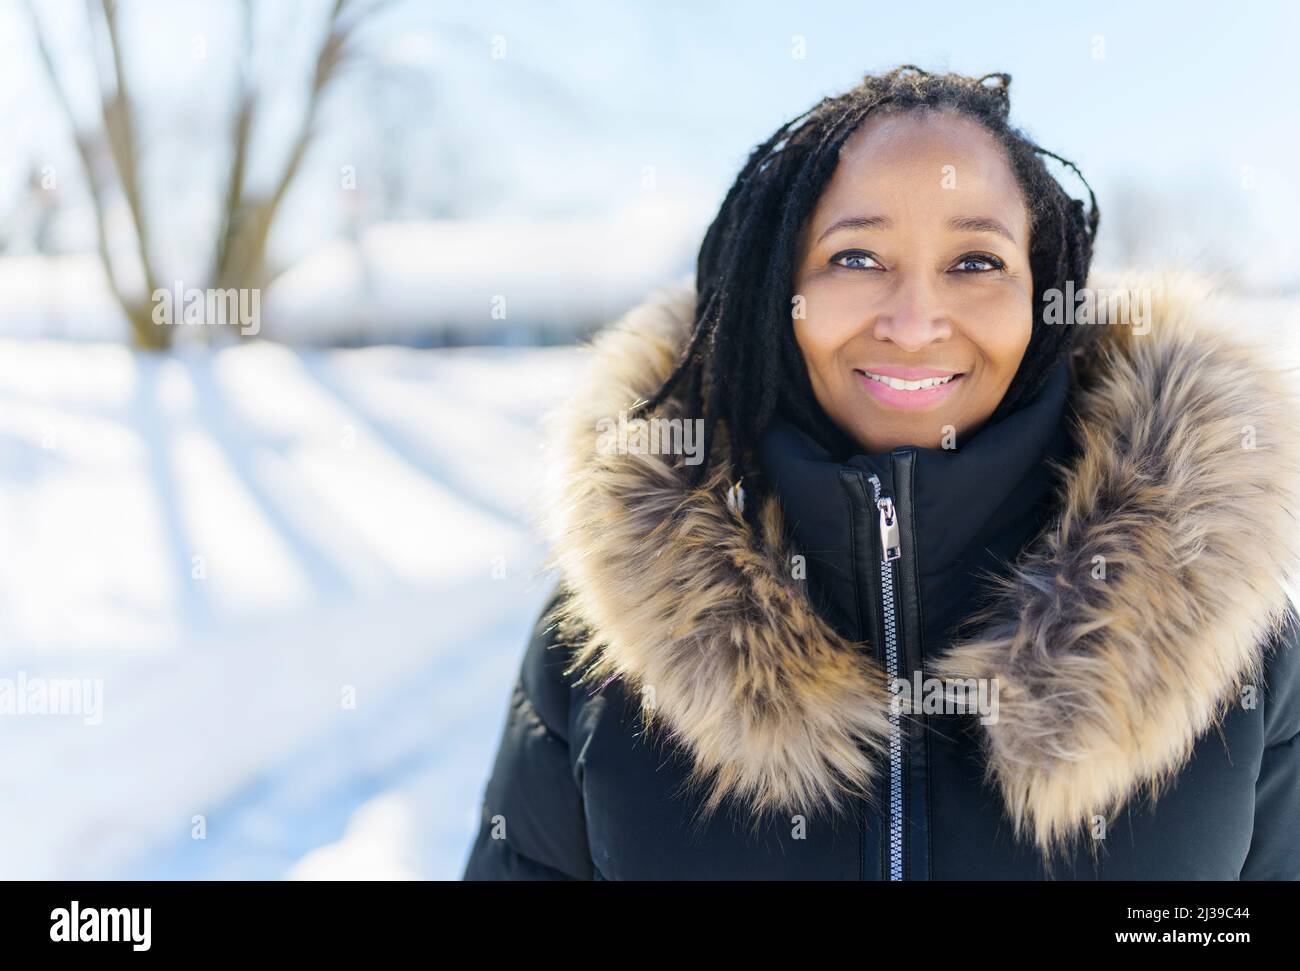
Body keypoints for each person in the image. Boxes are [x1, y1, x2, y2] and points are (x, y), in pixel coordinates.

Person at [462, 65, 1300, 880]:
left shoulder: (1235, 627)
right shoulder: (604, 644)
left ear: (1046, 296)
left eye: (976, 262)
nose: (914, 322)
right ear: (772, 290)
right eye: (856, 258)